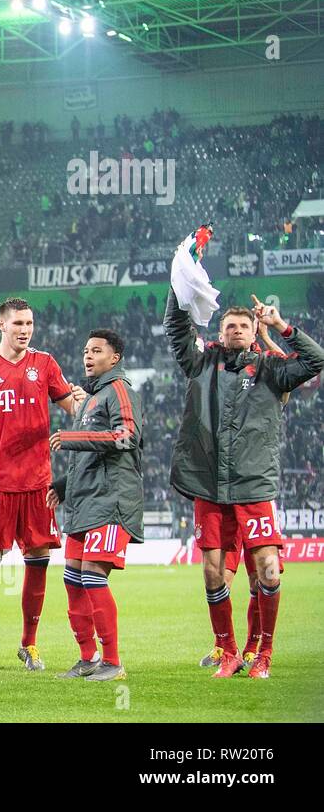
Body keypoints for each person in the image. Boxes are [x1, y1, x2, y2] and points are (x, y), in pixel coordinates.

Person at [165, 288, 323, 678]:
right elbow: (175, 327)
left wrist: (280, 325)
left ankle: (263, 653)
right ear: (219, 332)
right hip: (210, 485)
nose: (236, 330)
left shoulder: (271, 367)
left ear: (254, 331)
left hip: (253, 484)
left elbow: (315, 359)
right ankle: (229, 651)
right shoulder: (202, 363)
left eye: (243, 326)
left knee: (267, 571)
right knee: (212, 573)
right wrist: (178, 286)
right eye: (229, 325)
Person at [0, 297, 85, 672]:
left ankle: (29, 644)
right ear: (1, 325)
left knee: (39, 561)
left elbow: (72, 407)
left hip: (37, 484)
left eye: (29, 323)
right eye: (18, 323)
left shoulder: (45, 364)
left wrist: (86, 400)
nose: (25, 330)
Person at [48, 329, 144, 682]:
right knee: (73, 579)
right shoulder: (90, 398)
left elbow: (126, 437)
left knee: (92, 575)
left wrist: (73, 438)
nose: (88, 356)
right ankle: (88, 658)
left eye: (96, 351)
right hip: (83, 500)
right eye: (86, 350)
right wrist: (62, 485)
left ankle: (113, 661)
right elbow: (87, 458)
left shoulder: (119, 391)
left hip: (112, 500)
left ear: (114, 358)